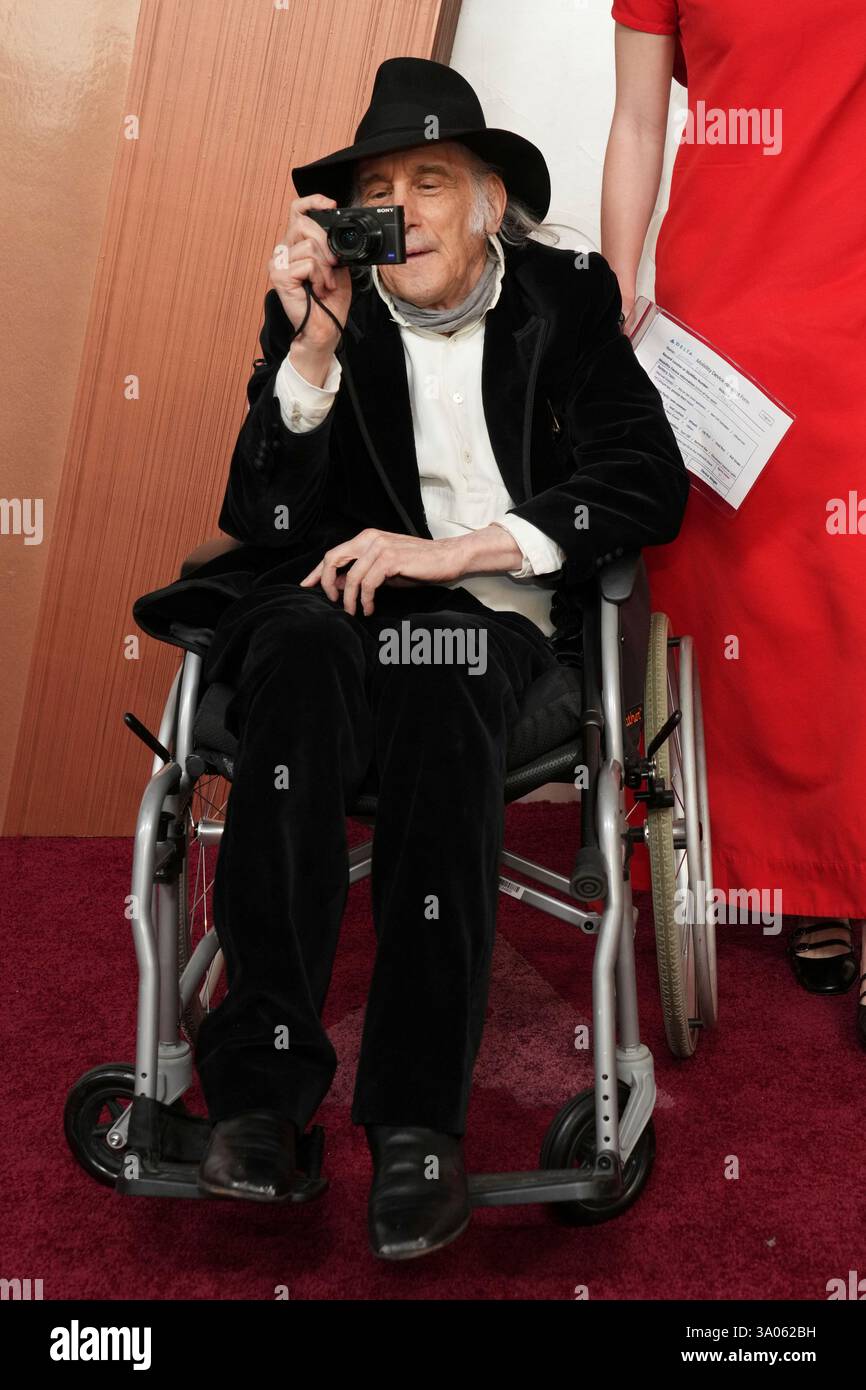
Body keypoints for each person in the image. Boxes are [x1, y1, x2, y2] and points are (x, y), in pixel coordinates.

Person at [133, 57, 688, 1259]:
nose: (406, 210)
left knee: (440, 665)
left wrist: (462, 553)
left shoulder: (565, 297)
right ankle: (259, 1104)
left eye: (432, 180)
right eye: (380, 187)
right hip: (332, 611)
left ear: (491, 199)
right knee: (284, 641)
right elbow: (264, 520)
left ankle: (414, 1123)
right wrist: (313, 356)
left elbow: (643, 480)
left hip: (482, 621)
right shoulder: (336, 309)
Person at [601, 2, 866, 1034]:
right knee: (756, 604)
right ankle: (803, 878)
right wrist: (616, 283)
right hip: (734, 308)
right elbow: (634, 120)